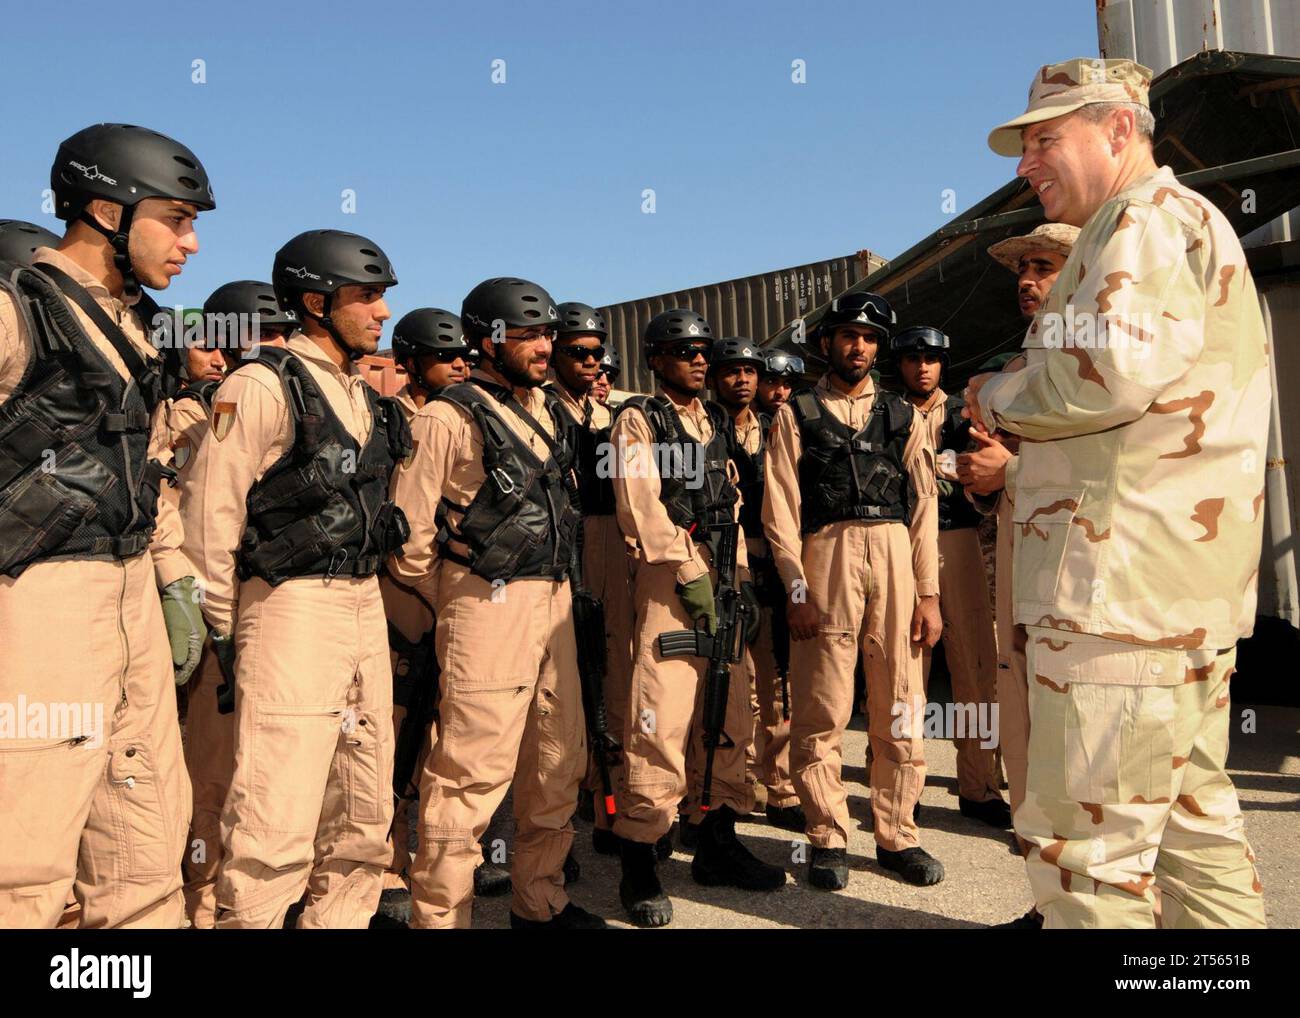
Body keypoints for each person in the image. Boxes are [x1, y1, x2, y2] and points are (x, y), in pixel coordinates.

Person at [969, 57, 1269, 929]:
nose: (1027, 165)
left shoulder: (1136, 220)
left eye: (1044, 140)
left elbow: (1106, 375)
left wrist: (996, 394)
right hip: (1174, 601)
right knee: (1192, 839)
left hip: (1117, 604)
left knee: (1088, 863)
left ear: (1117, 130)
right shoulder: (1186, 221)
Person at [0, 123, 214, 927]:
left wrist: (176, 580)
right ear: (106, 211)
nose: (190, 242)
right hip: (38, 605)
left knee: (147, 844)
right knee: (23, 861)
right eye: (177, 218)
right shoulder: (18, 311)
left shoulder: (135, 331)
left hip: (130, 603)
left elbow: (148, 475)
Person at [182, 229, 411, 928]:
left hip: (361, 603)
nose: (381, 313)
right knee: (275, 815)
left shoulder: (360, 394)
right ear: (316, 301)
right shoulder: (260, 386)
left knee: (363, 806)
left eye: (383, 299)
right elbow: (208, 519)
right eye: (366, 298)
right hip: (289, 610)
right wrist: (216, 630)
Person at [389, 277, 605, 929]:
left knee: (557, 761)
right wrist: (460, 600)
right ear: (490, 340)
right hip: (486, 605)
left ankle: (539, 900)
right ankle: (441, 917)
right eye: (531, 335)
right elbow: (408, 536)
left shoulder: (547, 410)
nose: (546, 346)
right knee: (468, 777)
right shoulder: (446, 416)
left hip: (554, 603)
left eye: (549, 335)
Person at [762, 291, 944, 890]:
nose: (857, 345)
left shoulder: (903, 415)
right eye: (846, 335)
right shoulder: (797, 414)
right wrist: (796, 589)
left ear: (877, 347)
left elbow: (923, 509)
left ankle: (898, 835)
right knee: (823, 706)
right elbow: (780, 513)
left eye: (868, 337)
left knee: (901, 703)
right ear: (826, 344)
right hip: (826, 556)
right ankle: (828, 836)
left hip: (894, 552)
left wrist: (928, 593)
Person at [610, 309, 786, 928]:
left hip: (724, 573)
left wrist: (736, 579)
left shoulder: (713, 419)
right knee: (661, 714)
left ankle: (716, 842)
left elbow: (733, 498)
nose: (698, 360)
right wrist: (690, 572)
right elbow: (639, 502)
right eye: (684, 351)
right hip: (670, 576)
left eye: (703, 352)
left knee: (729, 710)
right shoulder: (639, 418)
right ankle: (639, 858)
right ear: (656, 359)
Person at [176, 280, 295, 928]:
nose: (278, 347)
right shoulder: (202, 410)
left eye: (282, 333)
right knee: (213, 774)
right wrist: (214, 621)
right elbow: (197, 518)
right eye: (264, 334)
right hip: (216, 610)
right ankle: (199, 901)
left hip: (273, 613)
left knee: (269, 772)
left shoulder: (279, 401)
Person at [892, 325, 1008, 828]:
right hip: (899, 543)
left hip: (957, 538)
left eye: (932, 359)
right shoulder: (884, 414)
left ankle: (978, 785)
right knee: (907, 673)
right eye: (913, 358)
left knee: (976, 669)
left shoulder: (968, 412)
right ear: (900, 364)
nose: (923, 367)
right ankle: (904, 786)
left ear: (943, 364)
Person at [545, 302, 638, 856]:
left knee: (613, 684)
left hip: (607, 550)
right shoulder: (542, 412)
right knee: (562, 695)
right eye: (578, 353)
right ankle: (552, 839)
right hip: (561, 557)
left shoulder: (605, 417)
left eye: (597, 354)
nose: (591, 364)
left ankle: (609, 810)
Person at [707, 337, 803, 832]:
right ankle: (733, 787)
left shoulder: (775, 428)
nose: (743, 379)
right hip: (723, 568)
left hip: (773, 567)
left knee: (778, 683)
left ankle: (782, 790)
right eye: (732, 370)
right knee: (729, 684)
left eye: (751, 370)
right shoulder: (704, 427)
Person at [756, 350, 802, 415]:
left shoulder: (797, 421)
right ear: (756, 384)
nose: (780, 393)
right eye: (771, 382)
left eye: (787, 383)